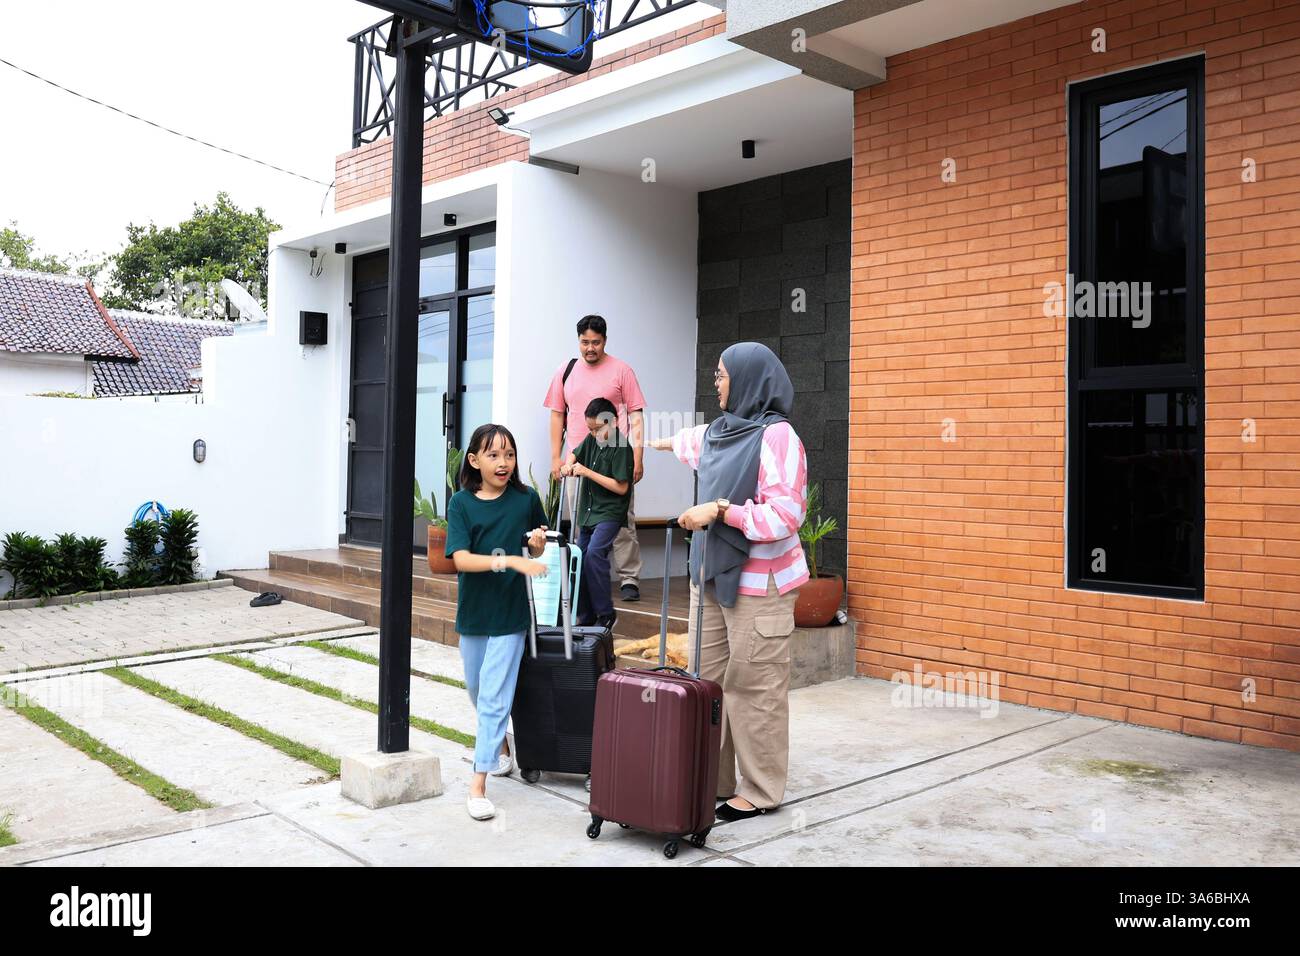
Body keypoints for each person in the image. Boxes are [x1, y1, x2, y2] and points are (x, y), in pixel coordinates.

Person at [648, 342, 808, 823]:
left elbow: (786, 514)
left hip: (762, 585)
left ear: (748, 379)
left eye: (721, 375)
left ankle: (760, 789)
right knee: (708, 681)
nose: (715, 381)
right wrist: (640, 442)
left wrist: (720, 511)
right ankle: (712, 779)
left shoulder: (779, 438)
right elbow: (684, 442)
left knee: (754, 685)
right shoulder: (720, 431)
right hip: (711, 578)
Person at [445, 422, 549, 822]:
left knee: (492, 698)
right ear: (474, 460)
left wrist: (537, 543)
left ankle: (478, 784)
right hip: (474, 615)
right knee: (477, 692)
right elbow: (460, 559)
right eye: (493, 455)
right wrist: (509, 560)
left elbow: (539, 540)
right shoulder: (461, 504)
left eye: (509, 454)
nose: (503, 462)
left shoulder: (526, 498)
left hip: (511, 615)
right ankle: (502, 749)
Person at [544, 314, 646, 603]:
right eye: (585, 342)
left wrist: (638, 455)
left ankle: (629, 578)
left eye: (596, 342)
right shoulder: (566, 371)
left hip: (615, 455)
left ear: (605, 341)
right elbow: (556, 414)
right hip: (578, 461)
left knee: (622, 519)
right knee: (582, 521)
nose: (590, 348)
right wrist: (556, 457)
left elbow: (636, 414)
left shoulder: (622, 370)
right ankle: (585, 578)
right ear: (578, 341)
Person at [561, 397, 633, 629]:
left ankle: (606, 612)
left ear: (612, 423)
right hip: (589, 512)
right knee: (578, 557)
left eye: (597, 429)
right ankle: (586, 614)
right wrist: (568, 464)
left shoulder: (622, 447)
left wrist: (586, 472)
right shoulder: (592, 439)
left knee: (594, 554)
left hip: (610, 512)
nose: (592, 434)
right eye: (590, 429)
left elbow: (621, 487)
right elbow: (575, 453)